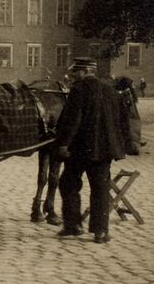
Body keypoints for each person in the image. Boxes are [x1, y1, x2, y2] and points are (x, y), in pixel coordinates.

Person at [54, 57, 127, 244]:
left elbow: (73, 120)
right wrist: (117, 144)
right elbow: (122, 120)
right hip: (104, 151)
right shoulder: (110, 90)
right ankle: (100, 231)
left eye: (75, 72)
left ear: (85, 72)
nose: (72, 76)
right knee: (101, 189)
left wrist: (63, 144)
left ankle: (73, 226)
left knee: (68, 184)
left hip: (79, 149)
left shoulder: (78, 90)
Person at [116, 77, 144, 155]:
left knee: (132, 131)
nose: (133, 86)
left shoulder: (127, 93)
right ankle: (133, 147)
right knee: (130, 131)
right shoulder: (125, 93)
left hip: (131, 115)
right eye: (131, 84)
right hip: (129, 116)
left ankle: (135, 145)